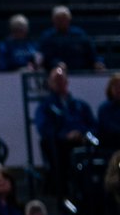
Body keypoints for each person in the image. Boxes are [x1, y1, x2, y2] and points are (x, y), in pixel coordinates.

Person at [34, 64, 95, 197]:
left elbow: (93, 125)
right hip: (60, 149)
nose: (59, 82)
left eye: (61, 79)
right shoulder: (45, 107)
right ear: (50, 83)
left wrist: (84, 134)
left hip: (84, 144)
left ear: (67, 81)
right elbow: (44, 128)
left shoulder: (81, 105)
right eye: (56, 80)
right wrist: (65, 136)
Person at [37, 5, 105, 73]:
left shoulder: (79, 34)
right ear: (53, 20)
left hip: (81, 73)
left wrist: (98, 62)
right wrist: (56, 64)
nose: (61, 21)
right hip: (57, 74)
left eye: (64, 18)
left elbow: (92, 54)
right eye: (58, 19)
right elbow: (45, 57)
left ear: (69, 19)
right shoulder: (47, 37)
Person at [98, 73, 120, 153]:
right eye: (116, 86)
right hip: (110, 149)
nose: (119, 89)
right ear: (110, 89)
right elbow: (109, 129)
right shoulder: (104, 108)